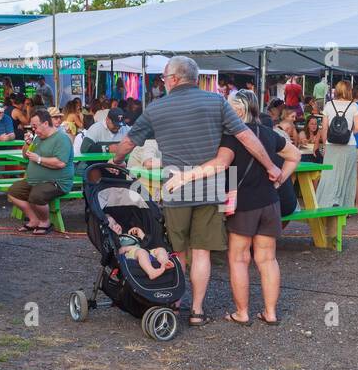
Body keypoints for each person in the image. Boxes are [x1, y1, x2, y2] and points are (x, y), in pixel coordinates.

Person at [110, 56, 279, 328]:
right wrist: (270, 166)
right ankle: (197, 310)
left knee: (178, 251)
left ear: (174, 79)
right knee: (202, 252)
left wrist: (116, 161)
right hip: (211, 190)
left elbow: (129, 142)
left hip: (176, 189)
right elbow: (247, 137)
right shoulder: (217, 102)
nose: (163, 83)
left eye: (165, 78)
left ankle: (174, 302)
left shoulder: (157, 108)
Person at [166, 90, 299, 325]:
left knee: (238, 259)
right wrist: (279, 181)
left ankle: (242, 313)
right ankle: (270, 313)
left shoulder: (232, 137)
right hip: (270, 203)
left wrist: (185, 177)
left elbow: (220, 164)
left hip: (244, 205)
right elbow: (295, 155)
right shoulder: (269, 134)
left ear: (238, 111)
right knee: (267, 259)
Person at [7, 107, 73, 235]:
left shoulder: (62, 139)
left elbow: (60, 163)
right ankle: (34, 220)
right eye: (32, 127)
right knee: (13, 191)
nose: (33, 129)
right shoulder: (38, 138)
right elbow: (26, 155)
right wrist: (27, 144)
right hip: (36, 181)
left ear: (46, 124)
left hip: (57, 182)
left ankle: (45, 222)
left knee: (36, 196)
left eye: (35, 126)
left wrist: (39, 159)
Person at [317, 81, 358, 210]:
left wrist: (326, 144)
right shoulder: (354, 106)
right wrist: (346, 133)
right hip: (349, 145)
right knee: (347, 175)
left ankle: (325, 204)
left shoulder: (328, 105)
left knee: (329, 175)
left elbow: (324, 128)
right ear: (349, 90)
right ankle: (345, 207)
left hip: (331, 145)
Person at [106, 215, 175, 280]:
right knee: (141, 252)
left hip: (145, 252)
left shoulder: (127, 234)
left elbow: (146, 243)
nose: (116, 226)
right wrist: (126, 248)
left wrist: (140, 232)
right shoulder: (116, 240)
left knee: (161, 249)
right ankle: (151, 272)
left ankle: (165, 263)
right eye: (112, 227)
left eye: (115, 223)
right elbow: (118, 251)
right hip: (132, 255)